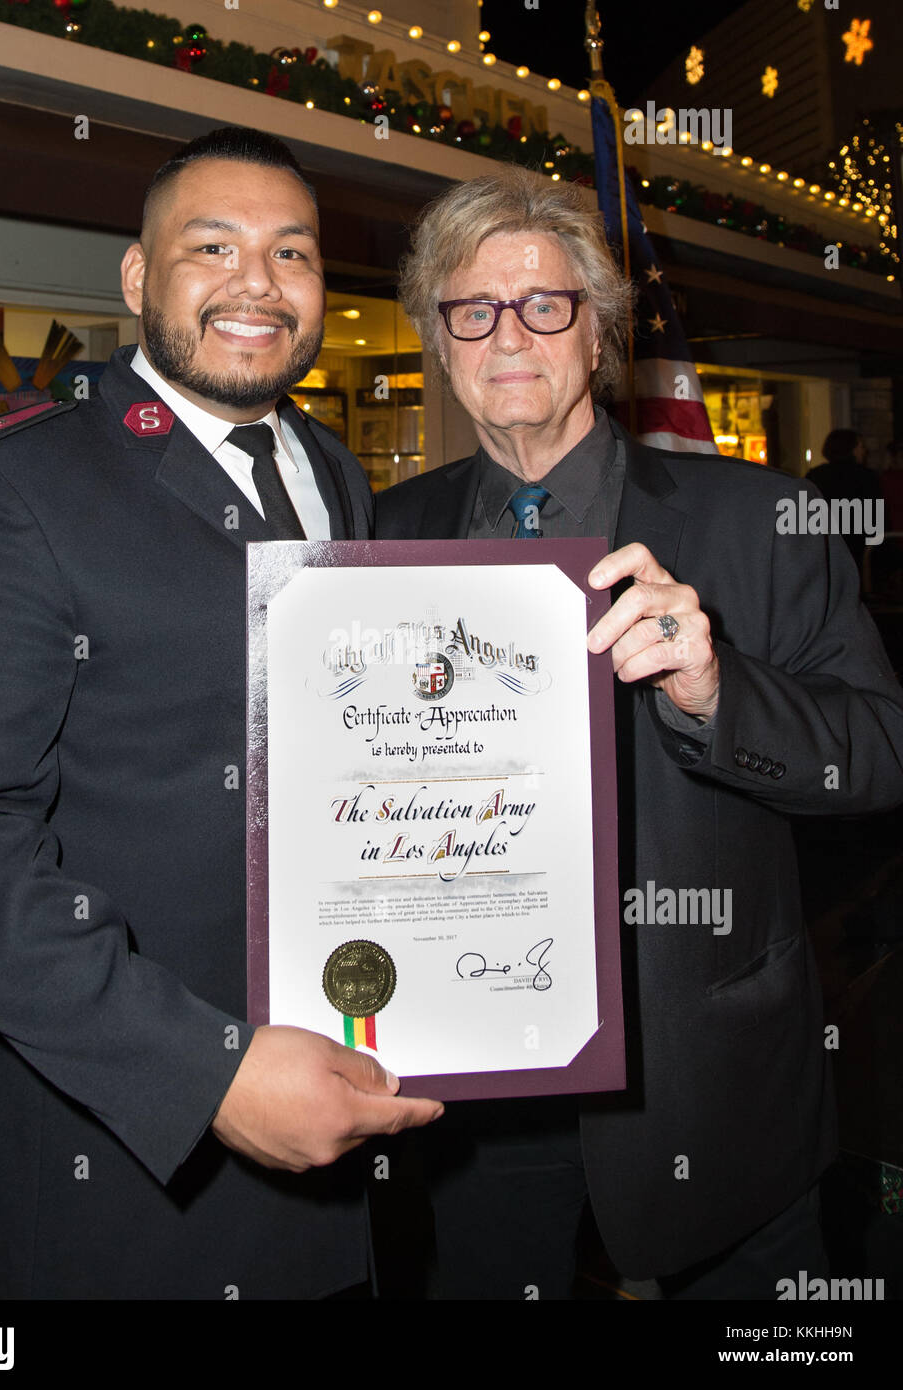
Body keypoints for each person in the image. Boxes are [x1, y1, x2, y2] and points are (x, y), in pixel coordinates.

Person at [0, 127, 441, 1300]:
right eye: (212, 246)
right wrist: (205, 1074)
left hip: (334, 1100)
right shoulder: (14, 484)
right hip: (118, 1169)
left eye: (292, 252)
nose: (256, 282)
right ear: (138, 280)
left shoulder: (332, 470)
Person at [375, 166, 903, 1299]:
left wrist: (717, 689)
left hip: (704, 1068)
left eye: (543, 303)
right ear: (437, 336)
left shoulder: (758, 518)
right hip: (468, 1079)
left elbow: (878, 753)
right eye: (470, 308)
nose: (505, 332)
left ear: (599, 331)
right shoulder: (380, 535)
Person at [807, 429, 883, 571]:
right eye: (861, 447)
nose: (864, 451)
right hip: (861, 551)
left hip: (823, 551)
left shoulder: (815, 476)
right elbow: (877, 520)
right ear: (851, 449)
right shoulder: (866, 477)